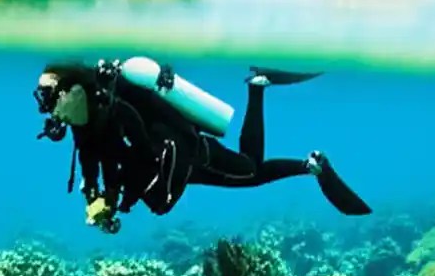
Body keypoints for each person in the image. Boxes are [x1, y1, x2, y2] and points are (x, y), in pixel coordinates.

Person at [32, 58, 372, 232]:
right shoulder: (89, 119)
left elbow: (140, 153)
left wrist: (120, 200)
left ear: (72, 90)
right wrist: (98, 200)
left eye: (46, 96)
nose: (44, 107)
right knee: (249, 172)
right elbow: (94, 161)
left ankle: (261, 88)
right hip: (174, 165)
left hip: (189, 152)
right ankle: (306, 162)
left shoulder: (115, 106)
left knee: (250, 169)